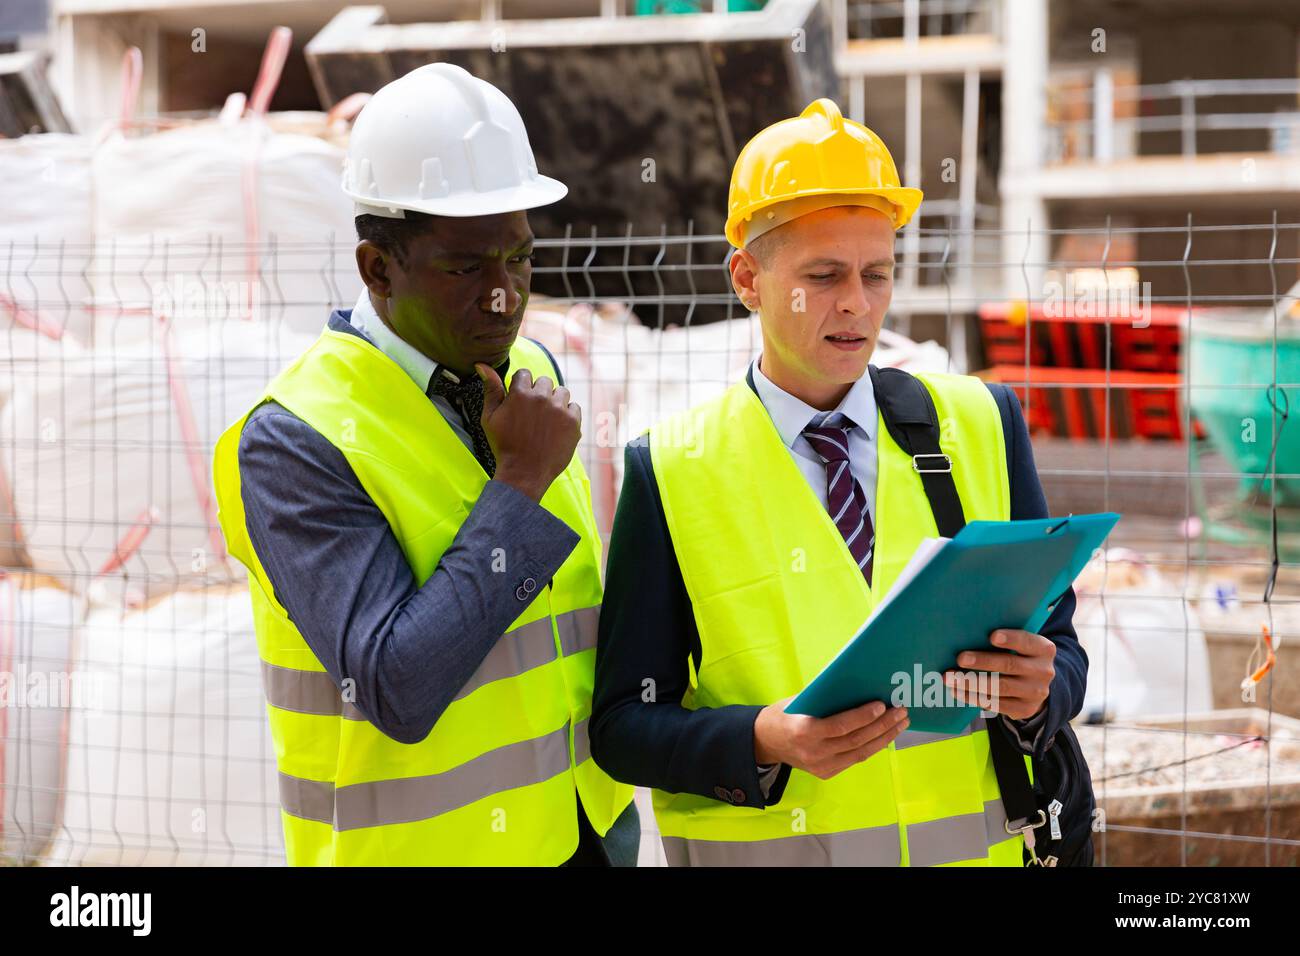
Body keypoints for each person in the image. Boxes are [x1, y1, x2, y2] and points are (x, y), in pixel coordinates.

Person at [590, 98, 1087, 866]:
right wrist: (764, 740)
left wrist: (1037, 697)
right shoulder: (672, 469)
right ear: (748, 279)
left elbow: (1060, 653)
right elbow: (624, 727)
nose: (857, 302)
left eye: (877, 273)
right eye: (823, 276)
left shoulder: (982, 424)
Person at [211, 62, 636, 866]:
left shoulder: (531, 371)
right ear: (379, 269)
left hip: (587, 835)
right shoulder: (296, 438)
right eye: (465, 267)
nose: (504, 295)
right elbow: (397, 685)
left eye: (517, 259)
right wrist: (519, 486)